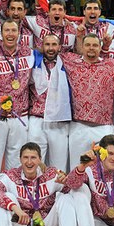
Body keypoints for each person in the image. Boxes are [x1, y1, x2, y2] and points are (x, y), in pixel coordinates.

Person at [0, 142, 80, 226]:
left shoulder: (51, 174)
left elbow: (75, 189)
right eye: (25, 157)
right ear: (20, 159)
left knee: (65, 198)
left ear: (40, 159)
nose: (29, 162)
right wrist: (16, 208)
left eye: (33, 158)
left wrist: (67, 182)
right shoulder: (11, 175)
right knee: (6, 198)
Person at [61, 33, 114, 168]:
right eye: (87, 45)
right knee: (78, 167)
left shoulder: (112, 64)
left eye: (94, 45)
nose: (91, 48)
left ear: (100, 47)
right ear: (82, 47)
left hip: (104, 128)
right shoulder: (71, 62)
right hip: (79, 127)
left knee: (106, 169)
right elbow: (51, 51)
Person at [0, 19, 34, 170]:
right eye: (7, 30)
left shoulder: (29, 54)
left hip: (20, 116)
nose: (10, 34)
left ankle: (13, 186)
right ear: (1, 33)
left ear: (19, 33)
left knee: (17, 164)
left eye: (13, 30)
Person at [28, 34, 73, 171]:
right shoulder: (33, 61)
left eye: (54, 44)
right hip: (37, 119)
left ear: (59, 47)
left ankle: (56, 186)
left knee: (58, 165)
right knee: (34, 163)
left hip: (59, 121)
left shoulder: (68, 63)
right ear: (42, 46)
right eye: (47, 44)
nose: (51, 48)